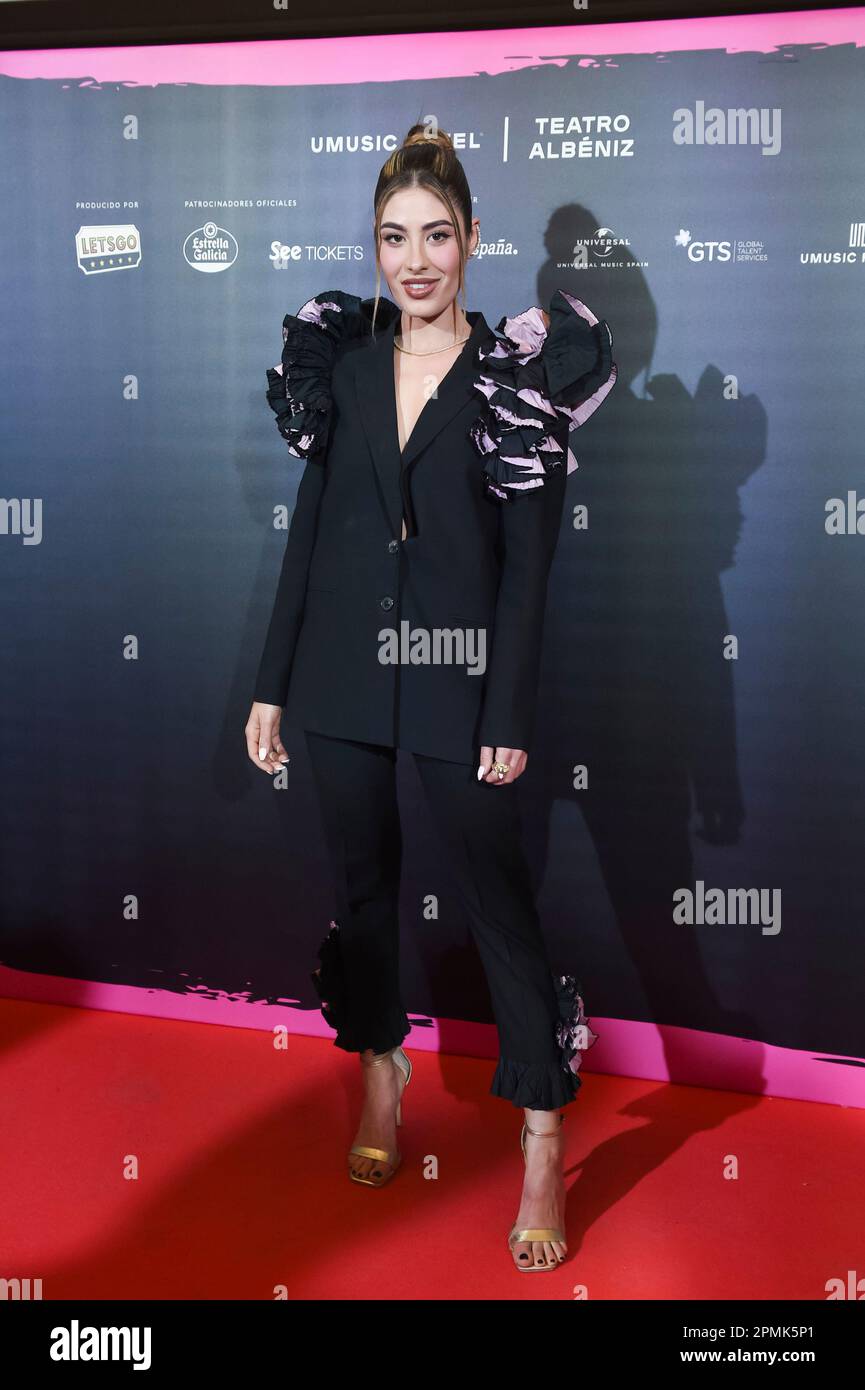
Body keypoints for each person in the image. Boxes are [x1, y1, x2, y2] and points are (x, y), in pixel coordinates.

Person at [244, 123, 615, 1271]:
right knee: (363, 897)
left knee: (499, 905)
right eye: (393, 237)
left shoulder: (512, 384)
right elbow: (310, 536)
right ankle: (380, 1076)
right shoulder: (346, 370)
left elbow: (529, 576)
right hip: (342, 674)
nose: (414, 260)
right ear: (374, 243)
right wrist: (269, 685)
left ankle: (543, 1138)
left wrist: (506, 711)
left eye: (436, 236)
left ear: (469, 241)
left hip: (461, 682)